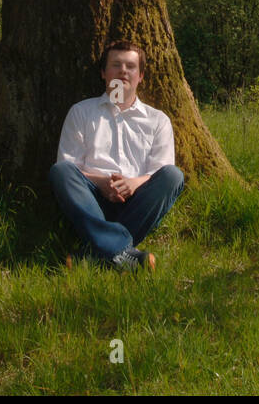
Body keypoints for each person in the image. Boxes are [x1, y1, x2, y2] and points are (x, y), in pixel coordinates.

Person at [48, 40, 185, 271]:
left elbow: (159, 170)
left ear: (140, 76)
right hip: (91, 200)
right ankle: (124, 255)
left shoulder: (157, 120)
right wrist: (102, 182)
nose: (123, 71)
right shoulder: (81, 112)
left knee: (173, 176)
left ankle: (94, 254)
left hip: (138, 201)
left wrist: (133, 183)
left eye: (130, 67)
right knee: (60, 172)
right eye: (116, 65)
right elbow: (69, 165)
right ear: (103, 73)